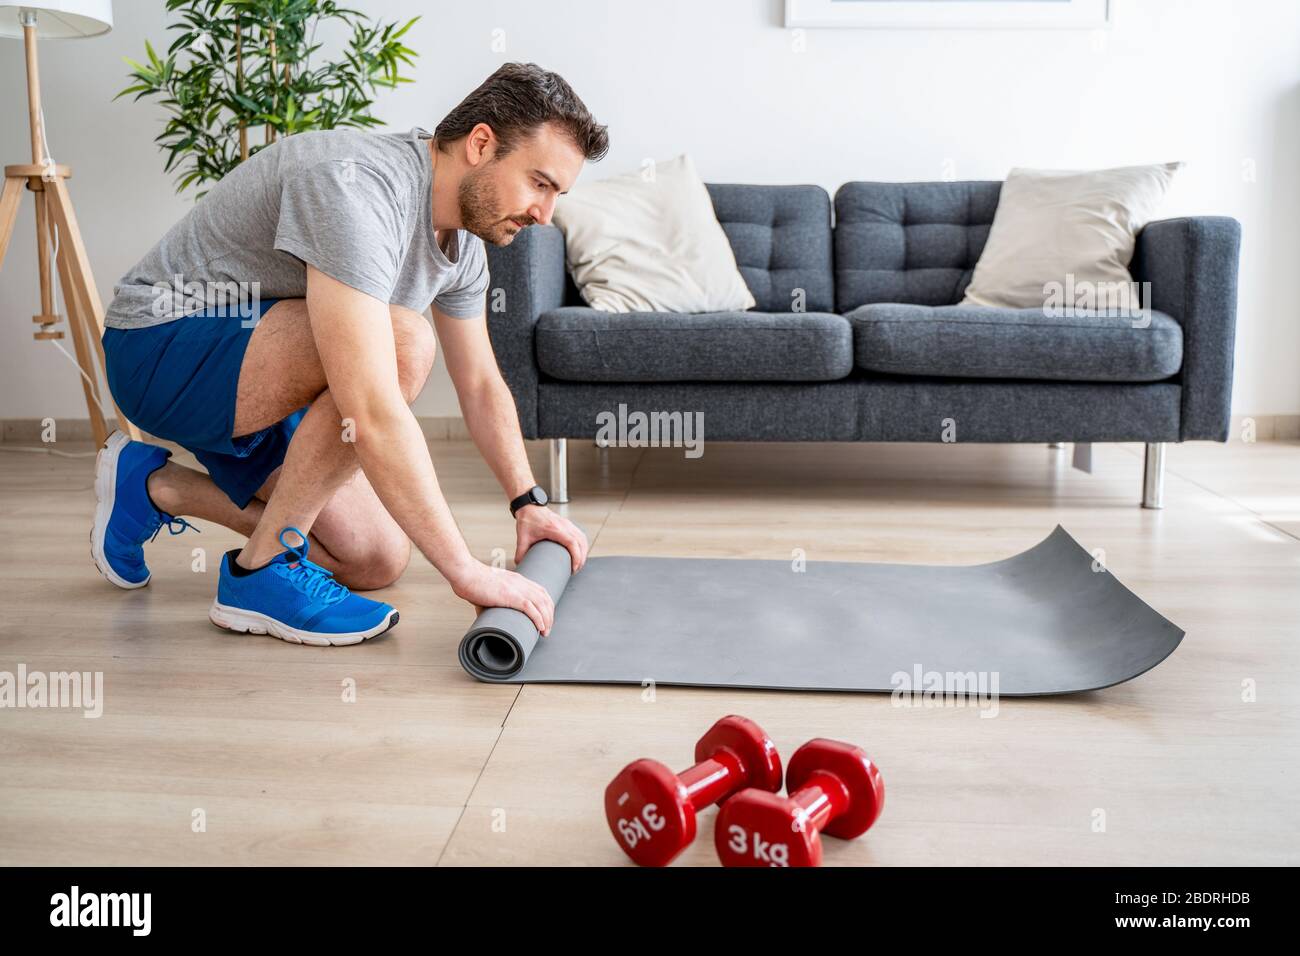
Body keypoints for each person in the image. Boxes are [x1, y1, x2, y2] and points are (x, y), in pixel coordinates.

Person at [90, 62, 608, 647]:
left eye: (557, 194)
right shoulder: (355, 187)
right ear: (481, 144)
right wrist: (465, 570)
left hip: (261, 363)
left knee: (376, 559)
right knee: (404, 341)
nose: (545, 215)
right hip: (159, 347)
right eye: (539, 183)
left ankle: (152, 488)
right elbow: (368, 405)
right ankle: (259, 575)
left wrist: (527, 502)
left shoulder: (462, 249)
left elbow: (482, 385)